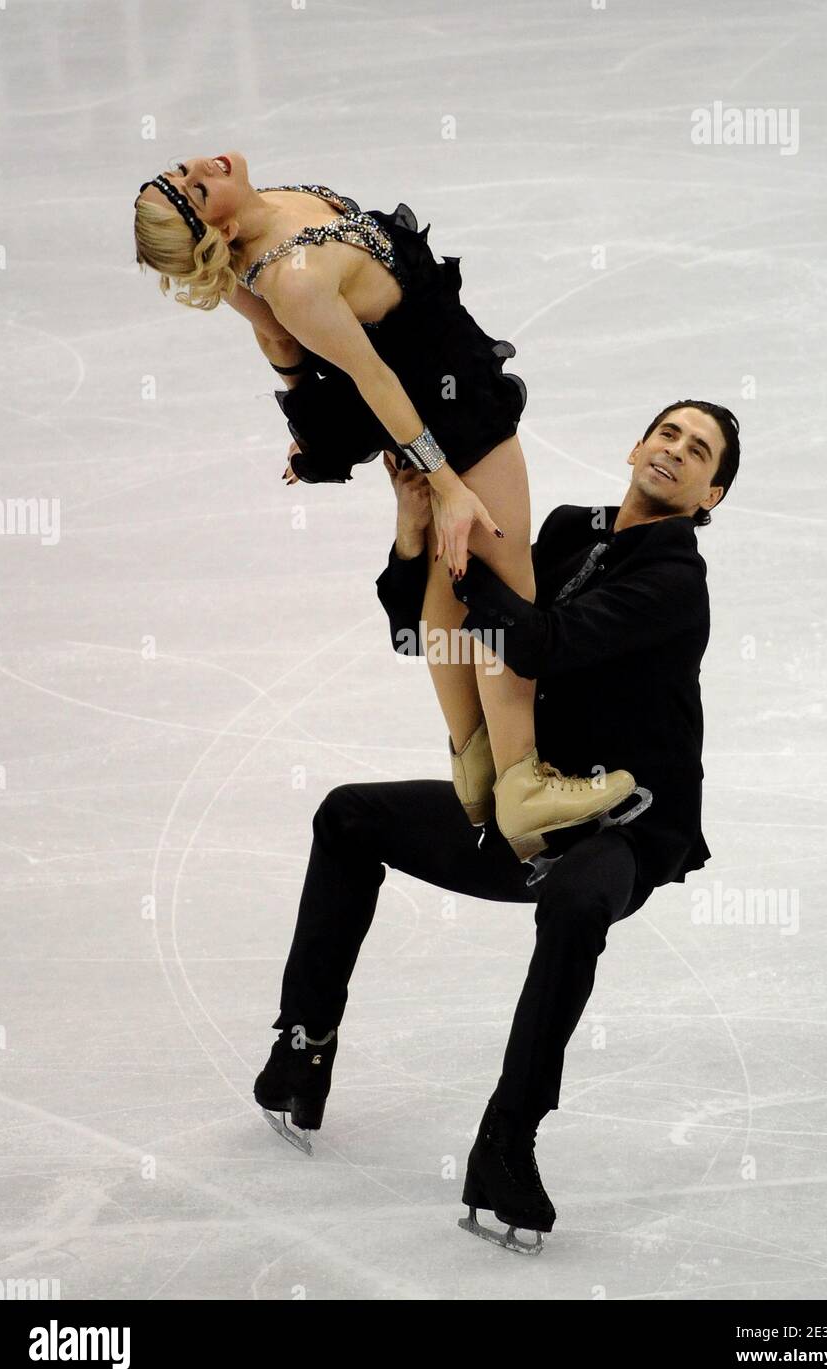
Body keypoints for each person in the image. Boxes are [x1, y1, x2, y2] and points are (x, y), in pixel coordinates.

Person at [253, 399, 741, 1253]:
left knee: (579, 900)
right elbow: (422, 636)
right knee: (350, 818)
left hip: (620, 821)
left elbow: (539, 644)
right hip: (526, 796)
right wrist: (420, 528)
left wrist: (463, 534)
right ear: (635, 445)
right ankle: (305, 1040)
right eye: (668, 432)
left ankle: (508, 1139)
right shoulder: (562, 530)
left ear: (713, 497)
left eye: (699, 452)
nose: (675, 450)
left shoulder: (675, 578)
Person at [131, 152, 650, 873]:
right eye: (193, 188)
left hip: (433, 389)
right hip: (444, 413)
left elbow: (282, 345)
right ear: (212, 221)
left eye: (182, 171)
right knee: (501, 576)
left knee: (455, 576)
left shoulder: (266, 217)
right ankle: (522, 784)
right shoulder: (293, 276)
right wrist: (445, 483)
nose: (201, 166)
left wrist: (312, 430)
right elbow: (366, 373)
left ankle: (477, 771)